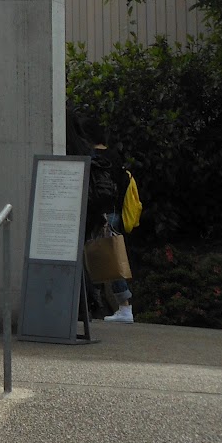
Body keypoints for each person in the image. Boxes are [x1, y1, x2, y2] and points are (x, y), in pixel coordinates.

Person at [66, 109, 134, 324]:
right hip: (112, 211)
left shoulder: (88, 155)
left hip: (97, 211)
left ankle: (122, 306)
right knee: (104, 259)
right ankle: (109, 305)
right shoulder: (113, 155)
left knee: (102, 260)